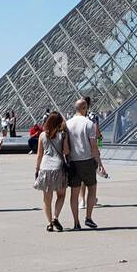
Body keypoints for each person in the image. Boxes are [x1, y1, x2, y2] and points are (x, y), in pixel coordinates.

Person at [66, 98, 107, 230]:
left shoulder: (67, 124)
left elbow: (65, 146)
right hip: (87, 160)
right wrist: (99, 163)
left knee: (74, 193)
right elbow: (94, 146)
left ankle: (76, 222)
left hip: (73, 161)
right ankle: (88, 218)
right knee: (92, 188)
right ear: (84, 108)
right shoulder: (89, 124)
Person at [32, 111, 70, 231]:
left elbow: (39, 154)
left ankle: (49, 223)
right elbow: (66, 151)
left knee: (47, 199)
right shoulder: (62, 135)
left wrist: (37, 169)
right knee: (61, 195)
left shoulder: (42, 135)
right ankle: (55, 217)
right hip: (58, 167)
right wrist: (65, 137)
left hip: (45, 167)